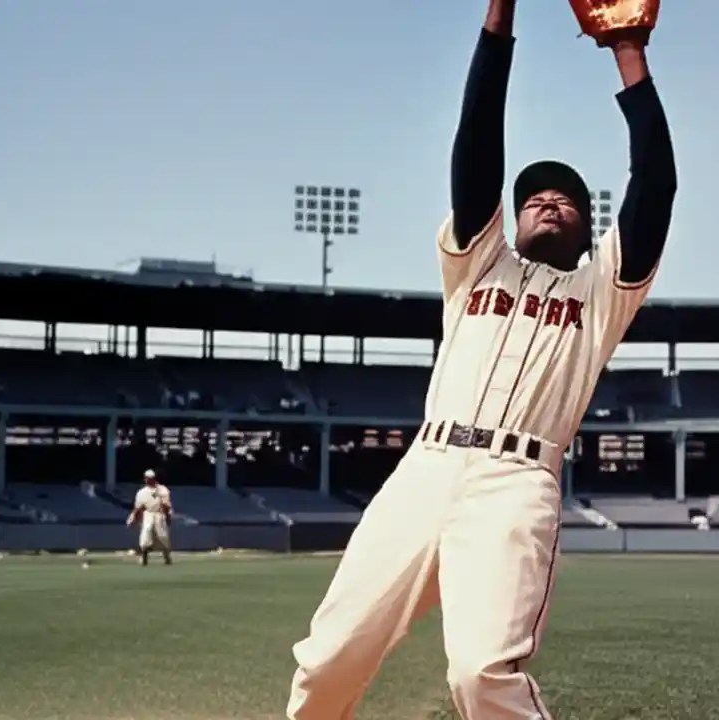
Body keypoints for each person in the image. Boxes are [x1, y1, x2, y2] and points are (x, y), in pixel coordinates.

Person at [284, 1, 676, 717]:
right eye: (533, 197)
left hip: (516, 482)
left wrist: (628, 54)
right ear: (511, 217)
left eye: (566, 200)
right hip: (426, 470)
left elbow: (656, 186)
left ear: (589, 230)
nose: (548, 201)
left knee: (479, 674)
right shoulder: (476, 266)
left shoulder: (601, 292)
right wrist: (501, 14)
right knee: (329, 656)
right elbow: (476, 143)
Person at [126, 469, 173, 566]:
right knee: (146, 535)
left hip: (159, 515)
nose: (148, 480)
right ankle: (144, 558)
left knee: (162, 536)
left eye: (151, 478)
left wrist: (168, 517)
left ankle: (167, 557)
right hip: (148, 514)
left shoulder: (163, 490)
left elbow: (166, 505)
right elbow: (138, 507)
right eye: (147, 478)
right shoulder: (142, 492)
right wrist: (133, 517)